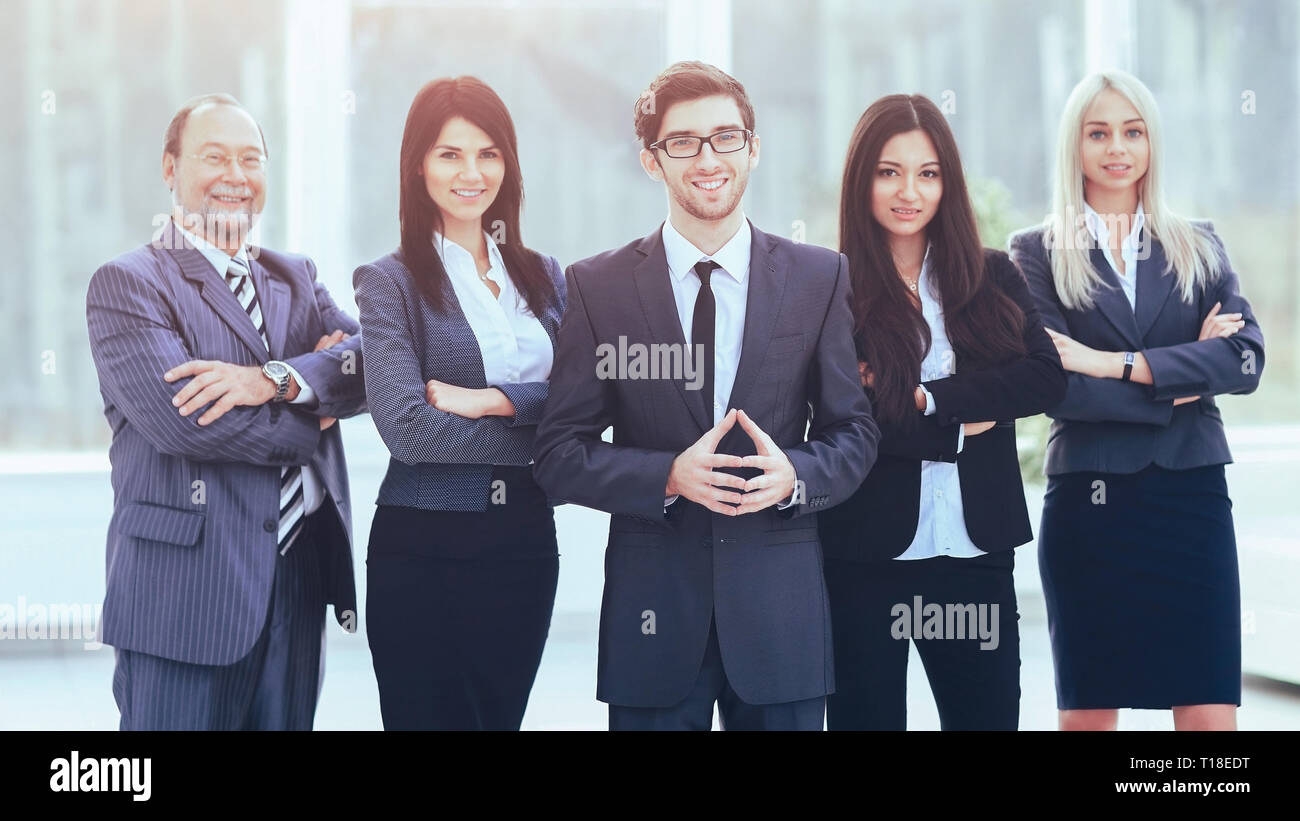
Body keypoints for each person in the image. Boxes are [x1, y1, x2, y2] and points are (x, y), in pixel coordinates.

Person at [533, 61, 877, 731]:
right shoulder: (598, 287)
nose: (708, 157)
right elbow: (557, 452)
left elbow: (854, 433)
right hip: (653, 622)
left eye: (725, 137)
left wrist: (795, 476)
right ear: (652, 161)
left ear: (753, 148)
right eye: (683, 142)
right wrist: (665, 475)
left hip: (782, 622)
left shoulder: (819, 277)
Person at [86, 93, 366, 730]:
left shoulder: (294, 276)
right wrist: (315, 411)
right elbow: (185, 421)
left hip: (297, 583)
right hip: (185, 598)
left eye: (251, 159)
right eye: (214, 157)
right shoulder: (130, 283)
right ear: (170, 169)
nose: (235, 177)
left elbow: (375, 360)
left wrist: (274, 380)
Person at [1009, 69, 1264, 731]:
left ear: (1151, 142)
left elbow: (1245, 358)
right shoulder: (1036, 252)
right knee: (1090, 713)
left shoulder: (1198, 243)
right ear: (1076, 144)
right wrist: (1180, 385)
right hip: (1092, 505)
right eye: (1099, 132)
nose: (1116, 146)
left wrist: (1112, 363)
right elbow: (1054, 386)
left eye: (1132, 130)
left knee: (1208, 713)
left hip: (1192, 498)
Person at [817, 94, 1066, 731]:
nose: (910, 191)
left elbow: (1042, 378)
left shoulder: (992, 277)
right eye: (889, 171)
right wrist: (963, 422)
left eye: (927, 173)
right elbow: (848, 421)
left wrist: (934, 399)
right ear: (862, 179)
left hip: (974, 554)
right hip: (866, 559)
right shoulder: (828, 289)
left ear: (946, 183)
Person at [353, 77, 565, 730]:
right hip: (424, 550)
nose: (471, 172)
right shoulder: (388, 283)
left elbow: (585, 404)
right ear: (418, 166)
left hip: (524, 545)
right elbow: (410, 433)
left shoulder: (548, 276)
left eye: (488, 153)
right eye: (449, 154)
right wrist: (541, 438)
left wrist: (489, 400)